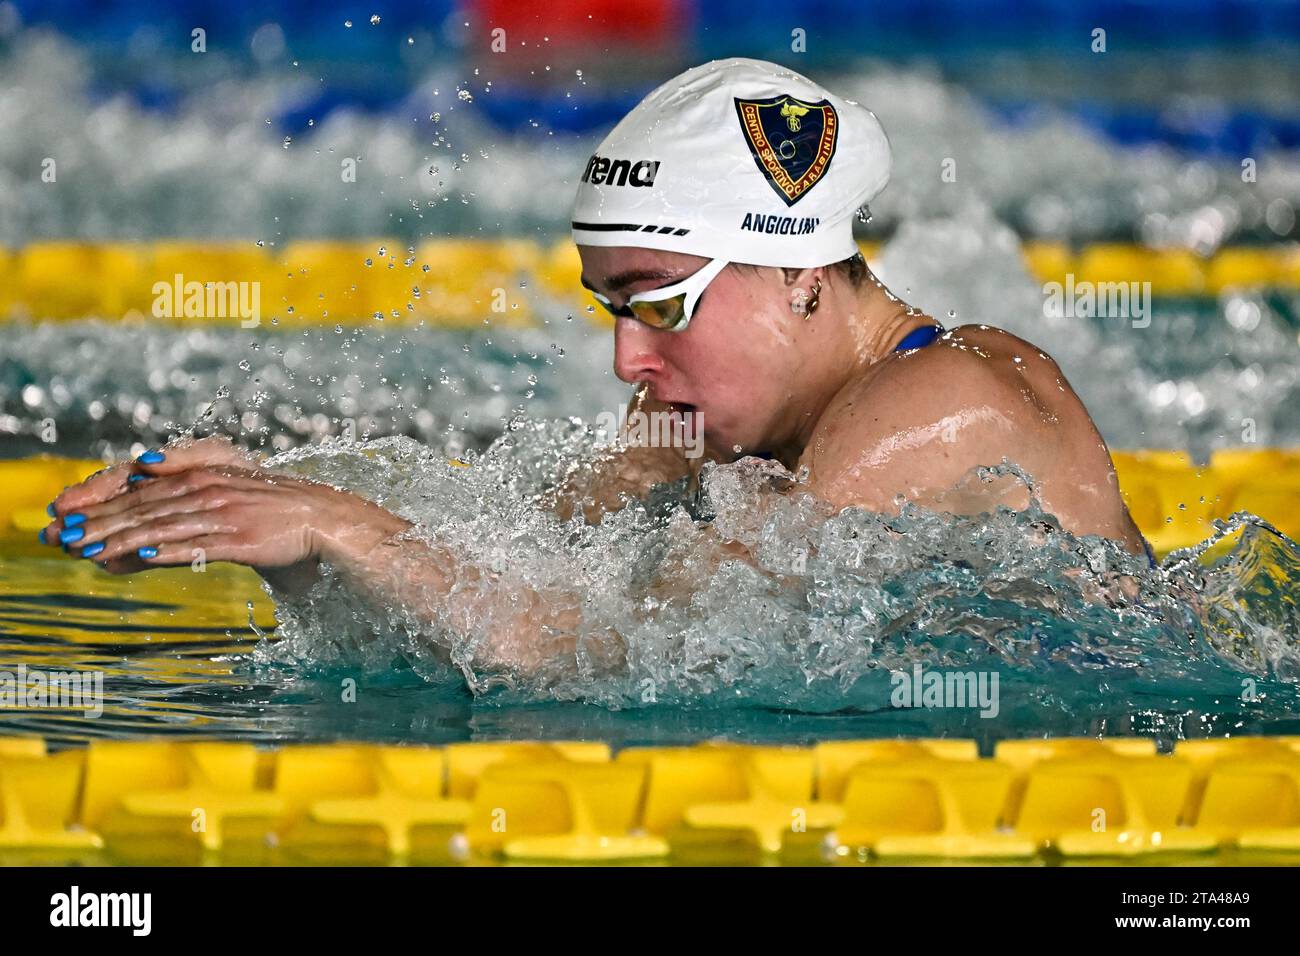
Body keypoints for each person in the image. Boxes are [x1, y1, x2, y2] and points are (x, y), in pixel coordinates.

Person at [41, 58, 1155, 676]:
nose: (629, 354)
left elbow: (627, 663)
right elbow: (503, 554)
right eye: (612, 307)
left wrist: (345, 525)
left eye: (662, 305)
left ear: (800, 275)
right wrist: (260, 515)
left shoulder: (932, 408)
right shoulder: (695, 420)